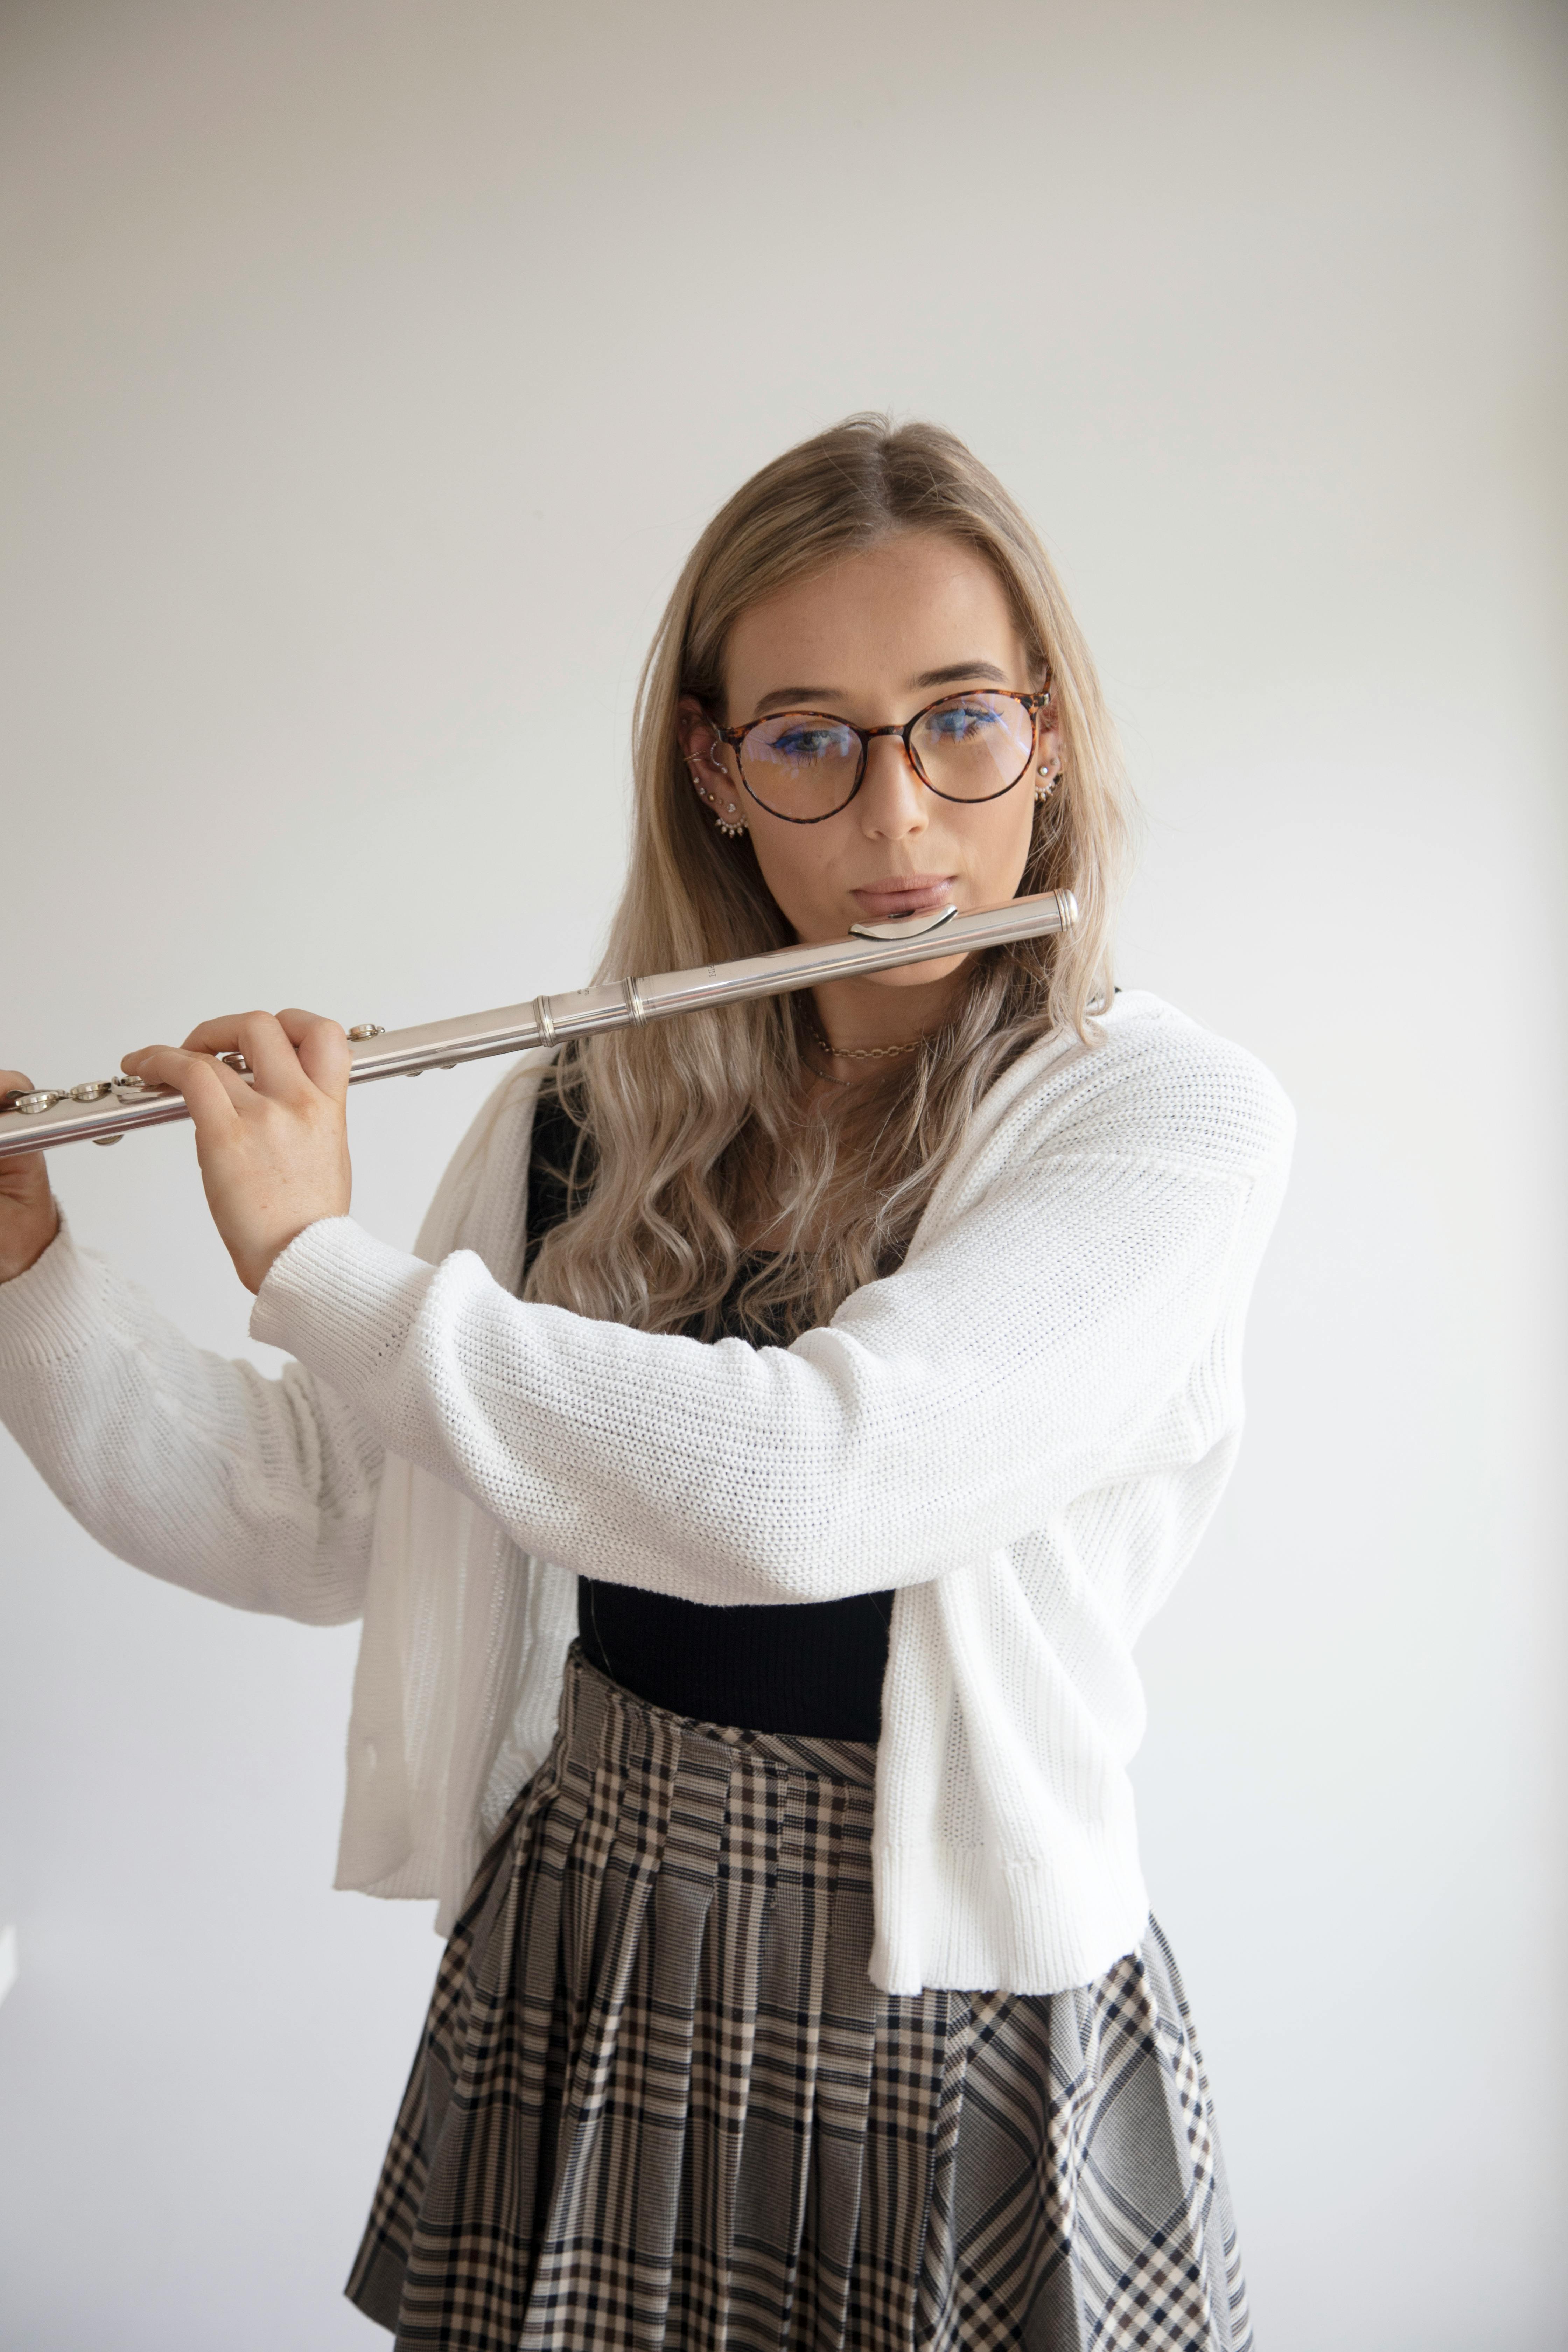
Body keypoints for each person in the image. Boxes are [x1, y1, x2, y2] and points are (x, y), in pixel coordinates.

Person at [0, 415, 1293, 2352]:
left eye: (960, 722)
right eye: (808, 740)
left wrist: (312, 1260)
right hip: (596, 1921)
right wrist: (32, 1271)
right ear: (715, 769)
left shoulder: (1167, 1120)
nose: (901, 826)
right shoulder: (583, 1113)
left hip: (936, 1976)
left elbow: (812, 1484)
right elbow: (322, 1506)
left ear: (1048, 727)